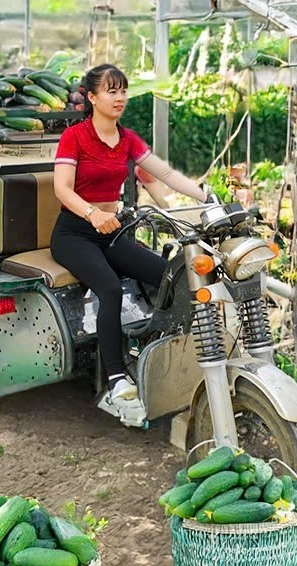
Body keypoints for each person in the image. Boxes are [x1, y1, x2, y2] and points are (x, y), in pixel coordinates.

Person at [52, 64, 210, 427]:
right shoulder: (74, 137)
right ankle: (116, 383)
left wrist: (206, 197)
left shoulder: (127, 139)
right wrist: (92, 213)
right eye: (111, 90)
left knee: (169, 276)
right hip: (74, 233)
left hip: (112, 232)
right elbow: (62, 188)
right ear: (92, 98)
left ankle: (157, 355)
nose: (120, 97)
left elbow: (165, 174)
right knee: (109, 289)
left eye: (123, 90)